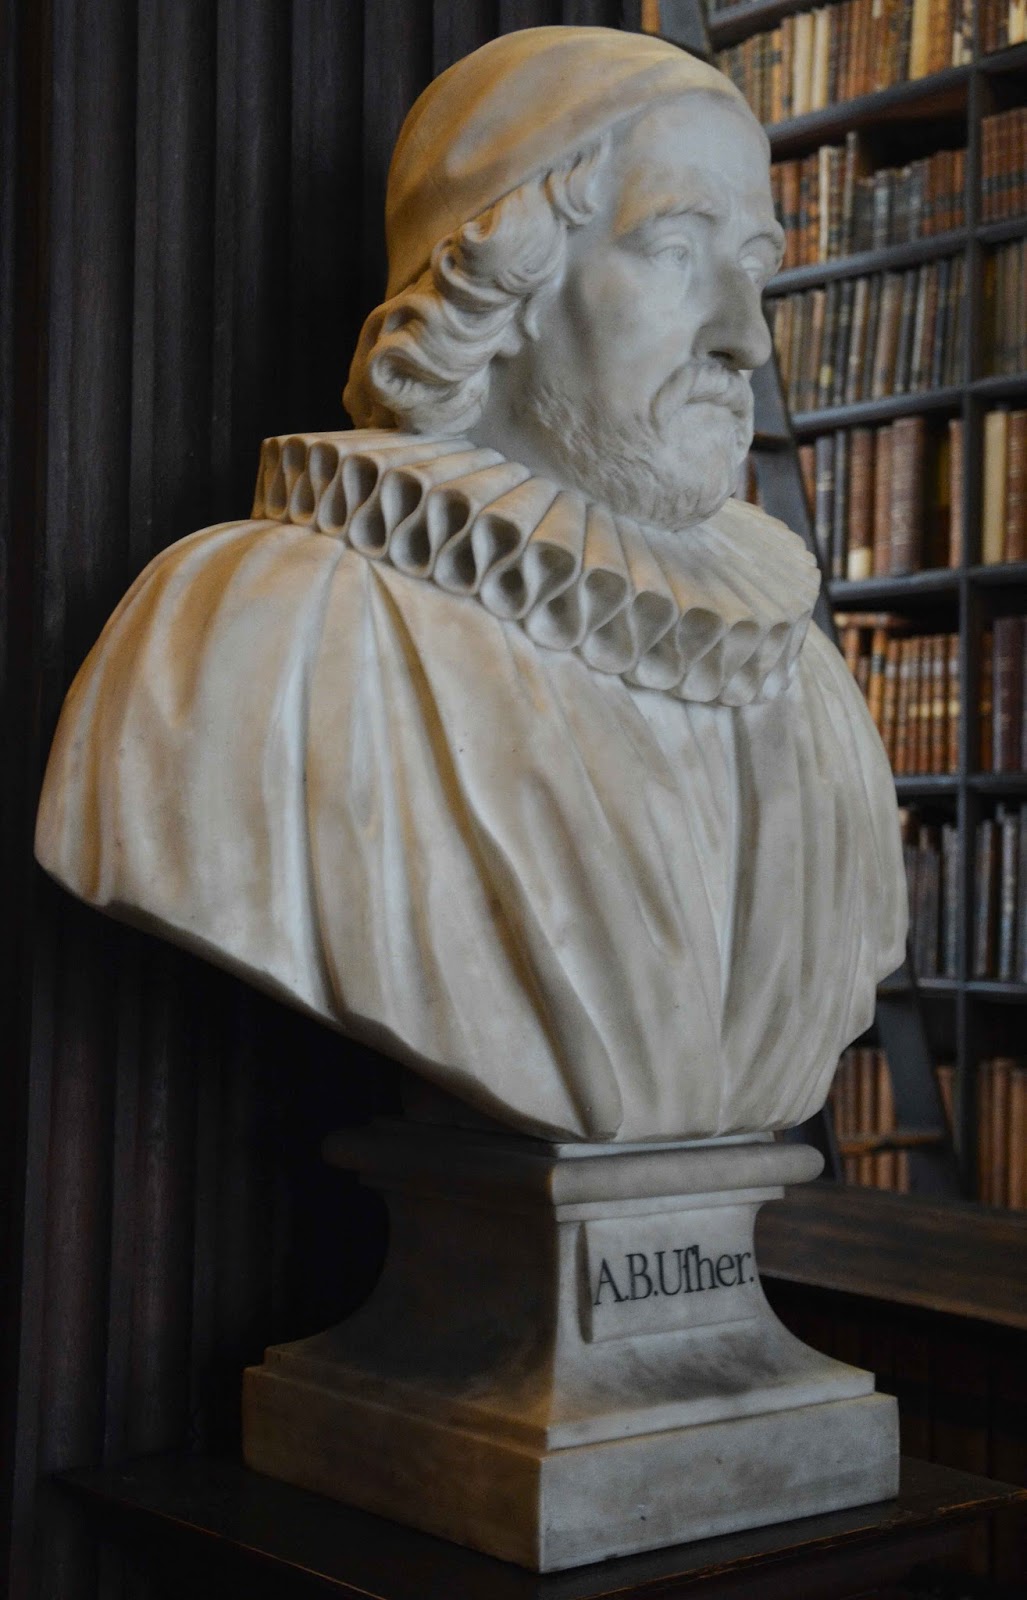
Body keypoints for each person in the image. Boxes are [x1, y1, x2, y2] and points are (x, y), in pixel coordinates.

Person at [35, 27, 906, 1143]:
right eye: (677, 250)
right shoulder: (246, 635)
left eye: (755, 265)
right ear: (499, 276)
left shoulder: (812, 689)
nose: (746, 340)